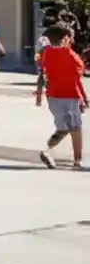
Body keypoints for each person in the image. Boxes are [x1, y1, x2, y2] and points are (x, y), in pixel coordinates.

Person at [37, 24, 87, 169]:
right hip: (70, 95)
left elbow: (44, 73)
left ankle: (48, 150)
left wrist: (39, 95)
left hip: (53, 96)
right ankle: (77, 160)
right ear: (65, 38)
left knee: (63, 128)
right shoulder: (69, 54)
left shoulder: (47, 53)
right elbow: (80, 70)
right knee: (76, 128)